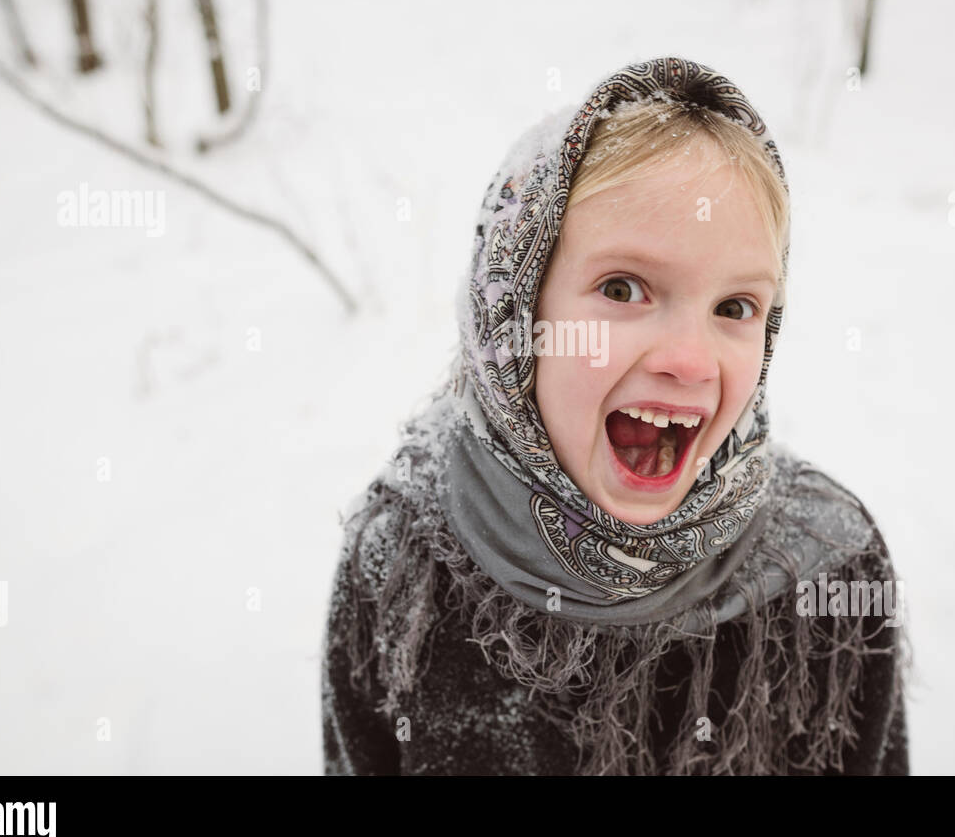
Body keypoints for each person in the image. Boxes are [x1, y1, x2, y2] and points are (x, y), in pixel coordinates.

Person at [322, 55, 911, 775]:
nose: (691, 360)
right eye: (624, 289)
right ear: (515, 308)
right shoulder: (404, 564)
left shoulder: (829, 570)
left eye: (735, 307)